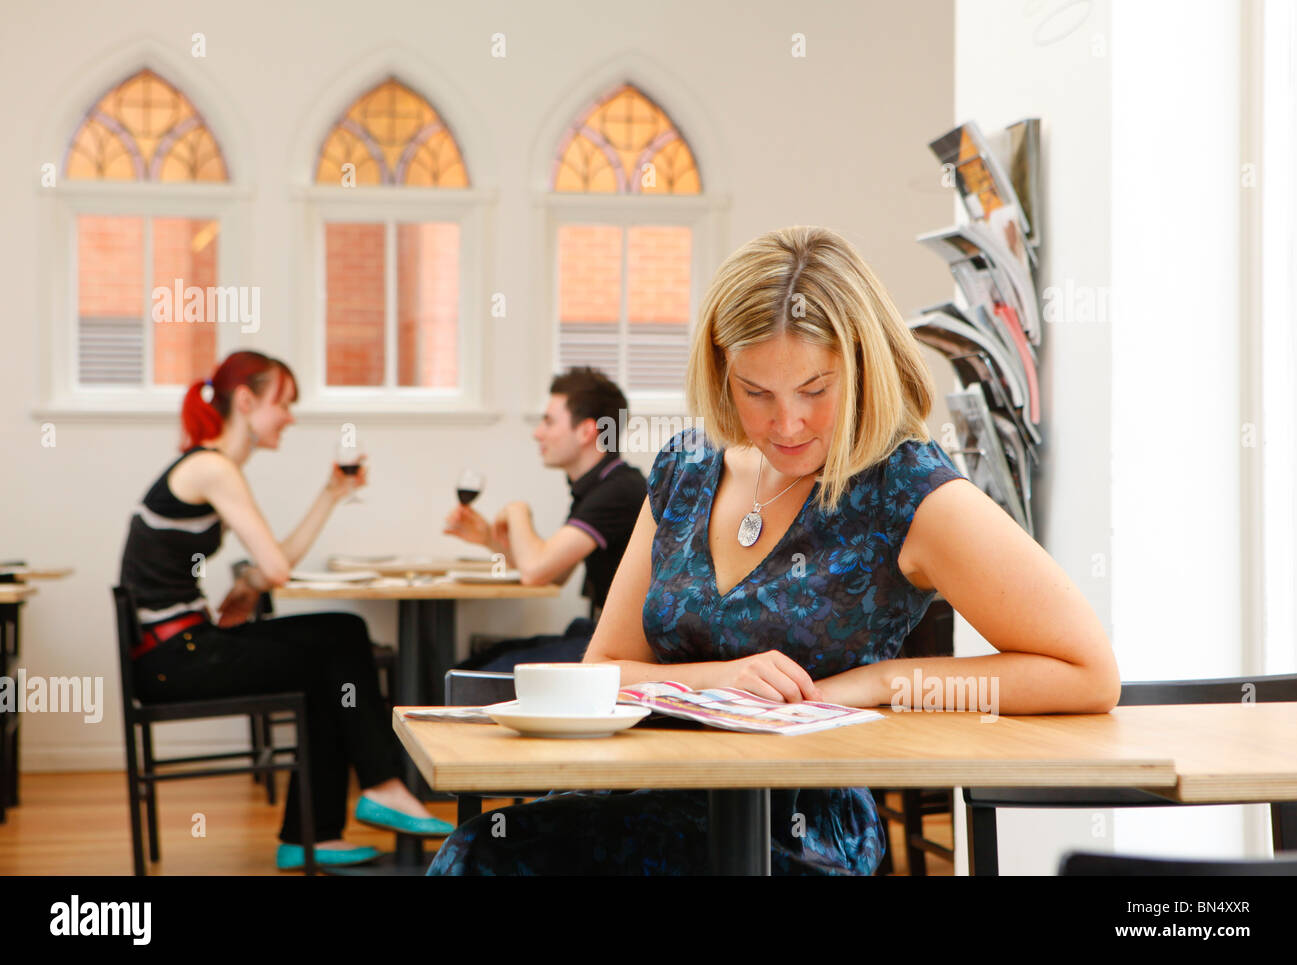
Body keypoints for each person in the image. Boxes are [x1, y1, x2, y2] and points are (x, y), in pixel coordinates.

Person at [427, 225, 1120, 875]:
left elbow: (1086, 672)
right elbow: (604, 667)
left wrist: (880, 684)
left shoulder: (907, 488)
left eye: (814, 390)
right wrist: (715, 679)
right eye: (756, 392)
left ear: (861, 367)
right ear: (721, 372)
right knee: (482, 851)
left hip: (800, 832)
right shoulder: (685, 469)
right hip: (638, 793)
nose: (785, 424)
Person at [120, 350, 455, 871]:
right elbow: (277, 568)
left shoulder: (210, 466)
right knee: (340, 637)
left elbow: (271, 565)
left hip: (178, 650)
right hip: (173, 658)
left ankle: (313, 834)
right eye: (284, 403)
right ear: (247, 401)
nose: (290, 417)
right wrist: (258, 579)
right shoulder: (213, 467)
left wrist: (330, 494)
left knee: (330, 652)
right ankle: (380, 787)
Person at [444, 367, 646, 670]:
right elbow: (554, 572)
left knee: (479, 675)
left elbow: (537, 571)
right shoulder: (599, 485)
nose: (538, 432)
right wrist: (489, 539)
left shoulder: (618, 490)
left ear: (586, 431)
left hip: (620, 652)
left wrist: (517, 510)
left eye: (549, 421)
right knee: (472, 666)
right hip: (599, 637)